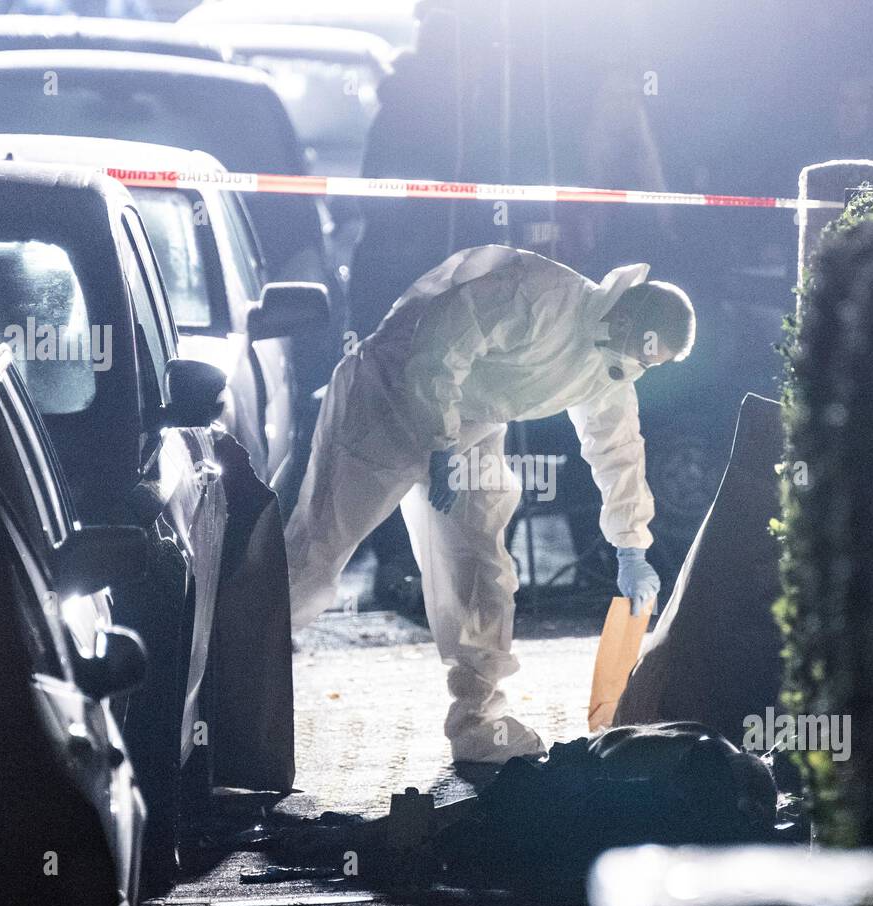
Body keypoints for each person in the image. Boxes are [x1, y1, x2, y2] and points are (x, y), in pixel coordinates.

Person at [285, 245, 696, 763]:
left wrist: (631, 545)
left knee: (483, 571)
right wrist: (437, 438)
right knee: (315, 556)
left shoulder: (610, 366)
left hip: (469, 431)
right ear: (629, 317)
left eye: (650, 364)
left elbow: (617, 448)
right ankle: (230, 685)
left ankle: (478, 724)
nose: (639, 369)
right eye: (644, 354)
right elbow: (443, 337)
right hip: (383, 400)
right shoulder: (543, 296)